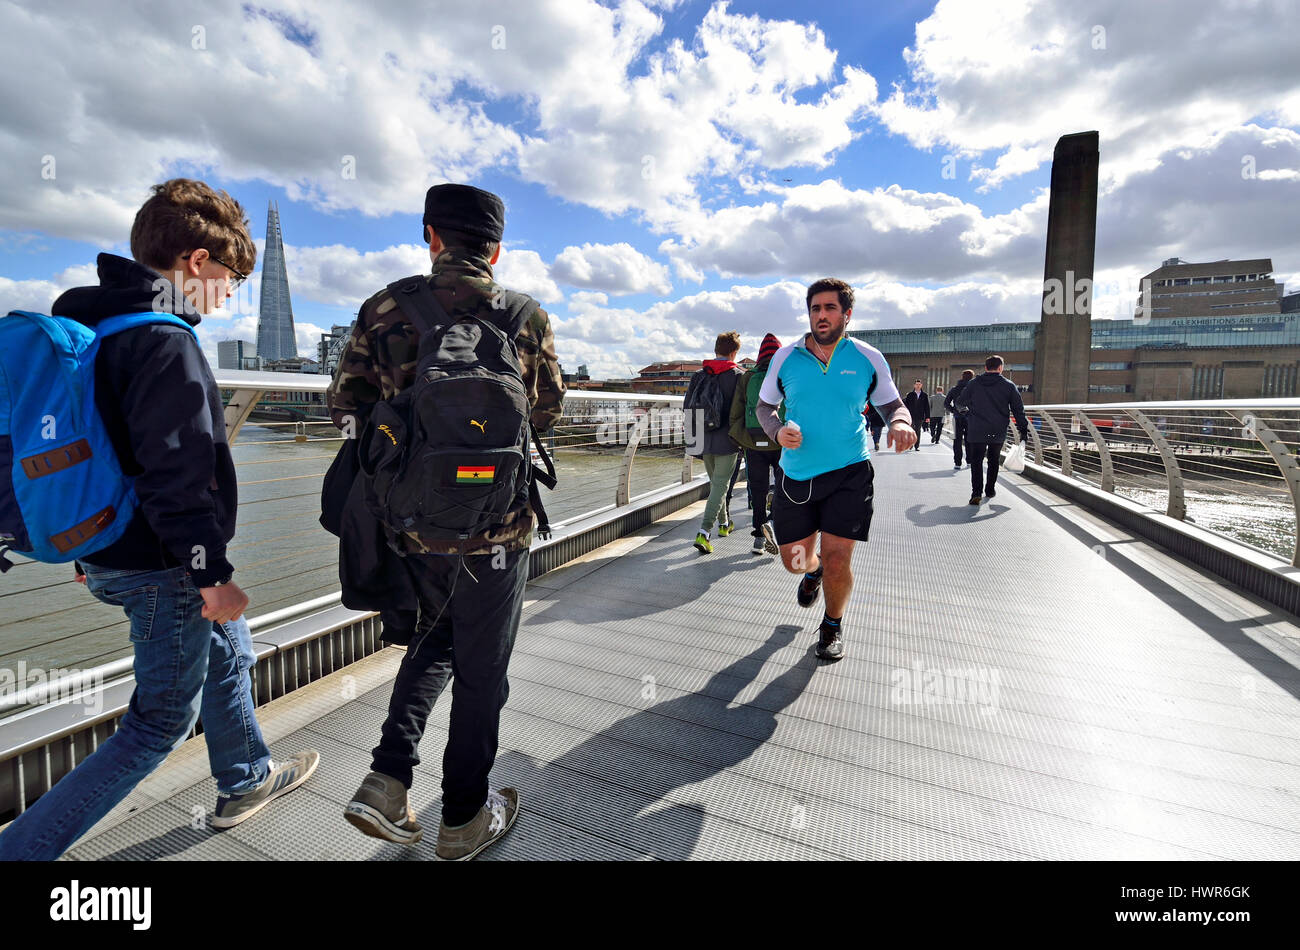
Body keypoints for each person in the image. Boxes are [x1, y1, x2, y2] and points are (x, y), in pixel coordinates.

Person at [0, 179, 318, 861]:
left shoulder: (94, 330)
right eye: (230, 279)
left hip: (112, 551)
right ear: (197, 262)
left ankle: (246, 778)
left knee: (231, 652)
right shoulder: (162, 342)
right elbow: (177, 479)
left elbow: (94, 456)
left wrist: (90, 556)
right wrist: (212, 576)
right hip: (164, 565)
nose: (229, 294)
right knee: (156, 725)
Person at [327, 183, 564, 860]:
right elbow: (543, 411)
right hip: (499, 526)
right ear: (496, 248)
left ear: (430, 235)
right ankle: (462, 817)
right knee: (482, 668)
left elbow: (344, 410)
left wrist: (406, 439)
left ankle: (387, 778)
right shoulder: (524, 313)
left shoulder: (384, 309)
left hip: (412, 523)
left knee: (433, 639)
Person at [756, 278, 915, 661]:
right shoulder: (786, 357)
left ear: (847, 313)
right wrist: (777, 432)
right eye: (815, 309)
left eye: (829, 308)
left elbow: (893, 405)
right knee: (795, 561)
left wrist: (900, 423)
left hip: (850, 471)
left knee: (839, 557)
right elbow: (764, 408)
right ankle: (813, 572)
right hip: (797, 475)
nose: (821, 316)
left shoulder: (867, 358)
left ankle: (832, 626)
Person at [685, 331, 743, 554]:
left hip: (702, 438)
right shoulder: (738, 376)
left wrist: (693, 441)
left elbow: (687, 407)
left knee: (717, 485)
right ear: (734, 352)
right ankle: (704, 532)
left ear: (715, 349)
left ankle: (724, 524)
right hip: (727, 439)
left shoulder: (699, 375)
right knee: (720, 486)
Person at [728, 333, 784, 555]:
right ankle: (772, 521)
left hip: (754, 440)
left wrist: (742, 439)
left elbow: (736, 412)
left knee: (757, 489)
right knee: (784, 487)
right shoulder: (785, 375)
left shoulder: (748, 377)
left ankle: (759, 539)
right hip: (781, 440)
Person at [955, 355, 1029, 505]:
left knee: (976, 461)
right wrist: (1023, 430)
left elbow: (959, 402)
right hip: (998, 428)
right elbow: (1018, 410)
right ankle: (990, 490)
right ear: (1000, 368)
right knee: (993, 460)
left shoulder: (974, 383)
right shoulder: (1009, 385)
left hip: (977, 428)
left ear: (986, 367)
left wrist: (967, 414)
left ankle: (976, 493)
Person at [944, 369, 975, 470]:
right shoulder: (974, 389)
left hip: (957, 417)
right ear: (972, 377)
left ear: (962, 377)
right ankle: (969, 461)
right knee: (969, 440)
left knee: (957, 440)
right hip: (970, 418)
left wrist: (953, 410)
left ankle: (957, 463)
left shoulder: (954, 389)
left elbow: (946, 403)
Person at [902, 379, 929, 451]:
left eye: (919, 384)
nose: (918, 386)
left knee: (918, 430)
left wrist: (927, 417)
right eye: (916, 384)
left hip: (920, 416)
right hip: (911, 416)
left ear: (921, 385)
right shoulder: (910, 395)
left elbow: (927, 406)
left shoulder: (924, 395)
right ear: (914, 385)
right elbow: (906, 406)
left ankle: (917, 446)